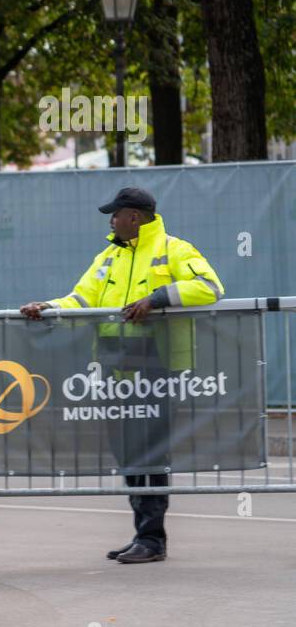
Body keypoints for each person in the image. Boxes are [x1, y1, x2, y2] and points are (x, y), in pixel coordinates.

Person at [20, 186, 223, 564]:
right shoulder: (109, 256)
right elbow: (81, 298)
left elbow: (210, 287)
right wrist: (46, 307)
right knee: (127, 453)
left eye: (115, 214)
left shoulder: (175, 249)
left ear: (134, 216)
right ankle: (142, 534)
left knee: (150, 452)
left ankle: (152, 539)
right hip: (117, 371)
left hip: (157, 371)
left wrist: (156, 300)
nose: (111, 220)